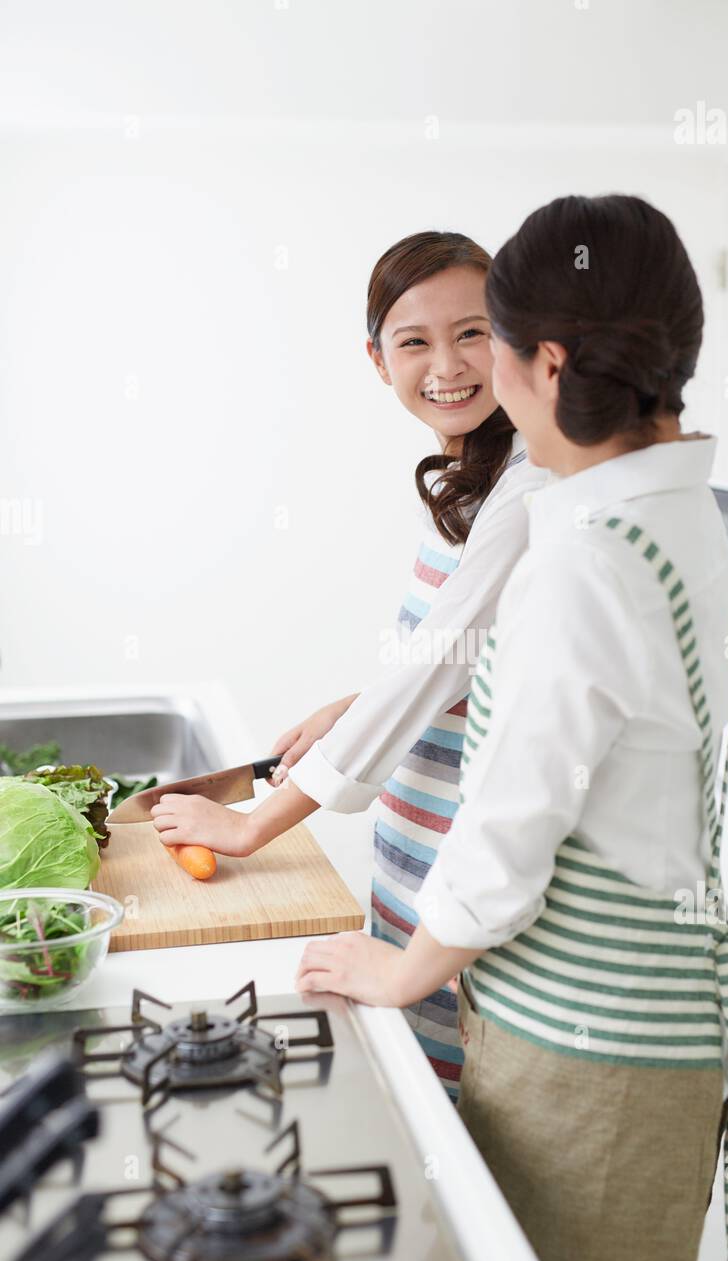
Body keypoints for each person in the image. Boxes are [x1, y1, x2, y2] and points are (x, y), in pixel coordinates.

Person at [295, 193, 728, 1261]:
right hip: (646, 1018)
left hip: (589, 1045)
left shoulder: (584, 555)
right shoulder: (670, 507)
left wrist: (403, 966)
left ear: (545, 365)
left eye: (492, 341)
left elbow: (513, 822)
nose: (477, 370)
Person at [151, 230, 550, 1102]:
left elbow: (437, 667)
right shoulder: (464, 473)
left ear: (516, 335)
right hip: (418, 838)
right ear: (378, 360)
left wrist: (256, 823)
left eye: (473, 332)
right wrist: (355, 703)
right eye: (414, 342)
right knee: (430, 1089)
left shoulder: (531, 483)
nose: (445, 365)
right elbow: (458, 658)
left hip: (468, 868)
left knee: (459, 1108)